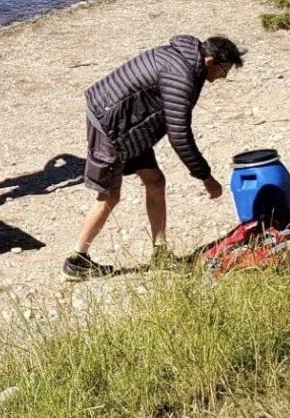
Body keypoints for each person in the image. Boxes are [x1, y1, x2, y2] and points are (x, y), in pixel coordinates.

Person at [63, 35, 242, 280]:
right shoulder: (182, 75)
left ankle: (161, 253)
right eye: (225, 69)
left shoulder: (187, 61)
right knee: (109, 195)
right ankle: (76, 260)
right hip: (110, 123)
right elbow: (179, 134)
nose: (224, 76)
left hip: (132, 123)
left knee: (155, 181)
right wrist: (206, 177)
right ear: (210, 61)